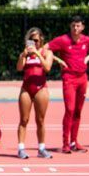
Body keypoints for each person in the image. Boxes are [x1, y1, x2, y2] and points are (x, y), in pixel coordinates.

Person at [47, 15, 89, 153]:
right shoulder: (63, 40)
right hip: (69, 79)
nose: (75, 28)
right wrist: (59, 60)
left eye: (78, 26)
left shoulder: (86, 40)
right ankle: (65, 143)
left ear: (82, 27)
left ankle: (74, 142)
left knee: (78, 111)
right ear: (70, 26)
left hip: (82, 78)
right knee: (69, 109)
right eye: (73, 26)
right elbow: (45, 48)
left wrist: (87, 58)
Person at [15, 27, 54, 159]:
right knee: (24, 119)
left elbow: (47, 68)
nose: (34, 43)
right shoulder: (25, 53)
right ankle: (21, 148)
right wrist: (23, 55)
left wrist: (37, 53)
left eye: (36, 40)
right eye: (31, 40)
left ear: (41, 39)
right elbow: (19, 68)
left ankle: (41, 148)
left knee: (40, 120)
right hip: (26, 88)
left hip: (41, 88)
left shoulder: (46, 52)